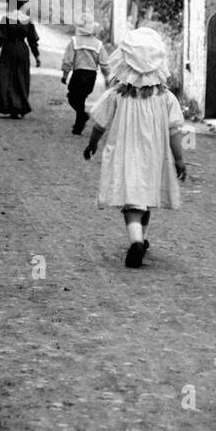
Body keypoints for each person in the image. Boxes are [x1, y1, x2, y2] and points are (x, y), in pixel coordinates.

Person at [82, 27, 187, 268]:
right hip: (154, 157)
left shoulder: (116, 95)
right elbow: (175, 131)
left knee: (132, 203)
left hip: (125, 156)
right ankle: (143, 237)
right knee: (146, 198)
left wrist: (92, 144)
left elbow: (100, 124)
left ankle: (137, 241)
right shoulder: (167, 98)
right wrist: (179, 159)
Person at [60, 13, 110, 135]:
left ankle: (81, 118)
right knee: (81, 98)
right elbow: (104, 63)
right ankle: (79, 123)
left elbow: (68, 60)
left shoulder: (74, 41)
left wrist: (65, 74)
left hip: (78, 74)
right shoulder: (98, 44)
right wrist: (107, 76)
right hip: (91, 76)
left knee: (72, 97)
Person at [0, 0, 41, 118]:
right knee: (21, 77)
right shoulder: (27, 20)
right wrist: (37, 57)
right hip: (22, 50)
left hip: (8, 49)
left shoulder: (6, 18)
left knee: (6, 77)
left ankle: (10, 105)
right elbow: (32, 41)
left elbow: (1, 38)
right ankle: (20, 106)